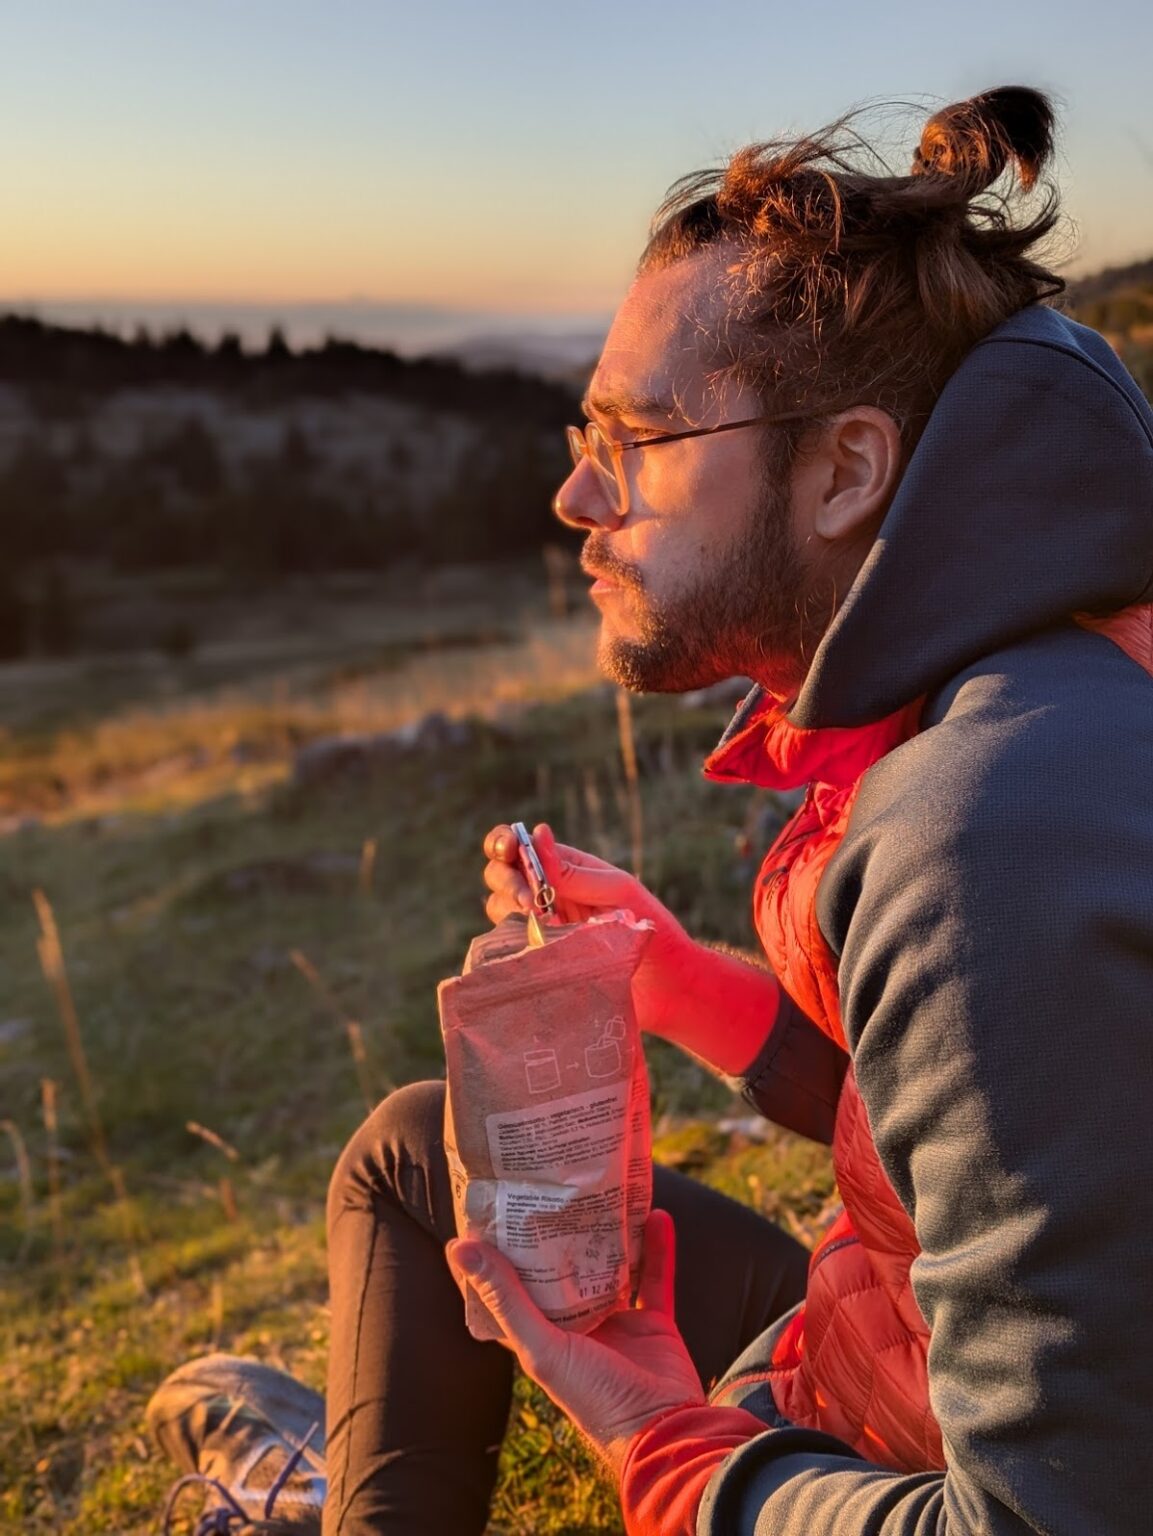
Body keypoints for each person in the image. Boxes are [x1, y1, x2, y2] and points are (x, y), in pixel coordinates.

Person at [149, 85, 1153, 1535]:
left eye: (634, 437)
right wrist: (673, 980)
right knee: (414, 1154)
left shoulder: (987, 821)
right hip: (864, 1356)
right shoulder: (1023, 691)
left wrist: (654, 1430)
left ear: (846, 470)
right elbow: (978, 1126)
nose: (574, 494)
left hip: (882, 1449)